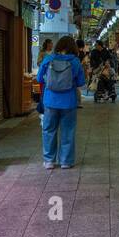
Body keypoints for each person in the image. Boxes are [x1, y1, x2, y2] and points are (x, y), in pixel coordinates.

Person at [37, 35, 85, 169]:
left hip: (50, 101)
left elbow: (39, 78)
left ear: (58, 46)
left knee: (49, 130)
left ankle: (49, 161)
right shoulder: (75, 61)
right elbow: (81, 82)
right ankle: (66, 161)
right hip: (69, 101)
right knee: (68, 131)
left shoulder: (48, 59)